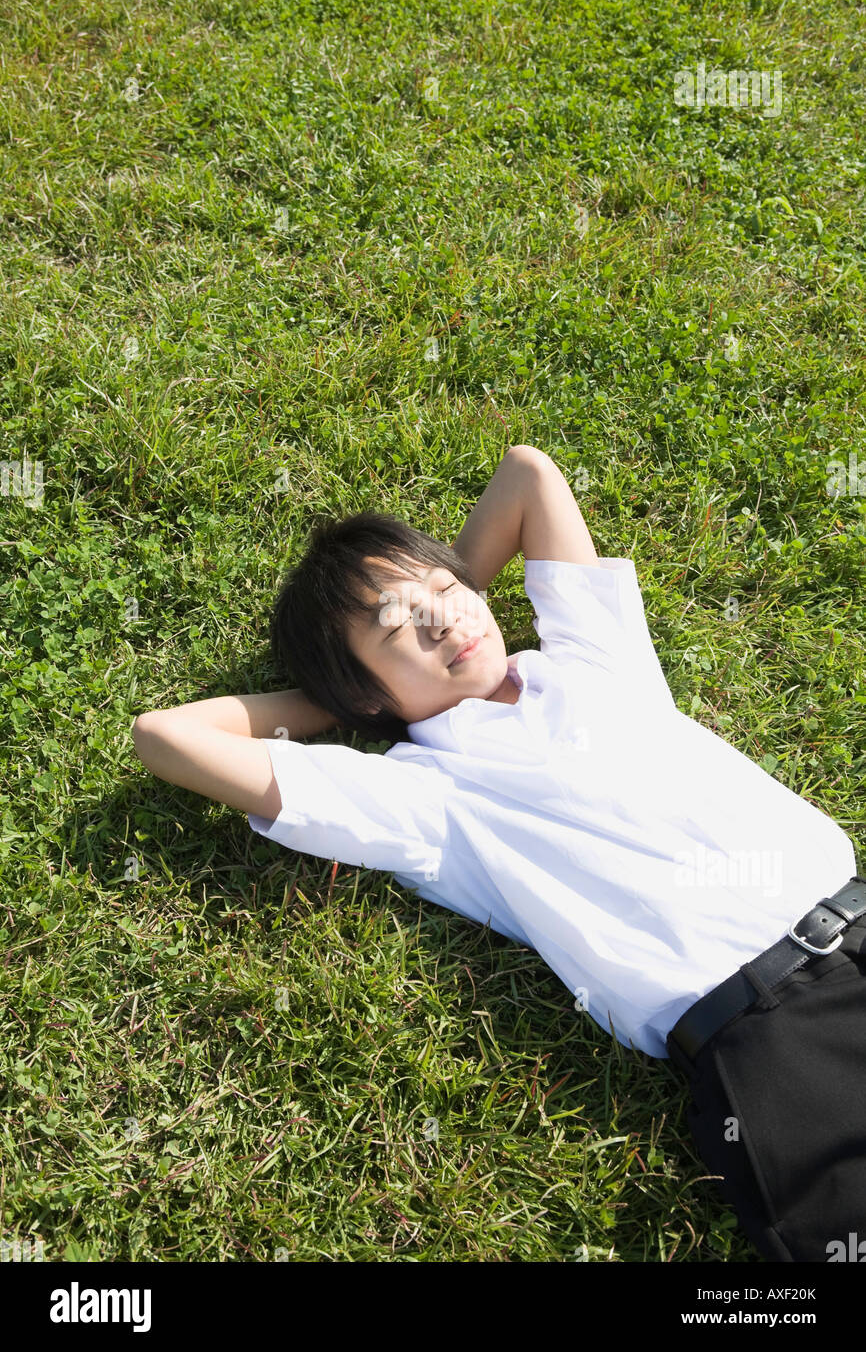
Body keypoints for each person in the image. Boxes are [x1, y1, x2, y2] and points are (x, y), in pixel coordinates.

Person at [132, 444, 866, 1263]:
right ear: (365, 692)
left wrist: (434, 598)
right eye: (398, 627)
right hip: (774, 1030)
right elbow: (165, 737)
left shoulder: (593, 662)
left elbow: (527, 474)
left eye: (446, 592)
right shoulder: (426, 796)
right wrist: (344, 707)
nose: (441, 617)